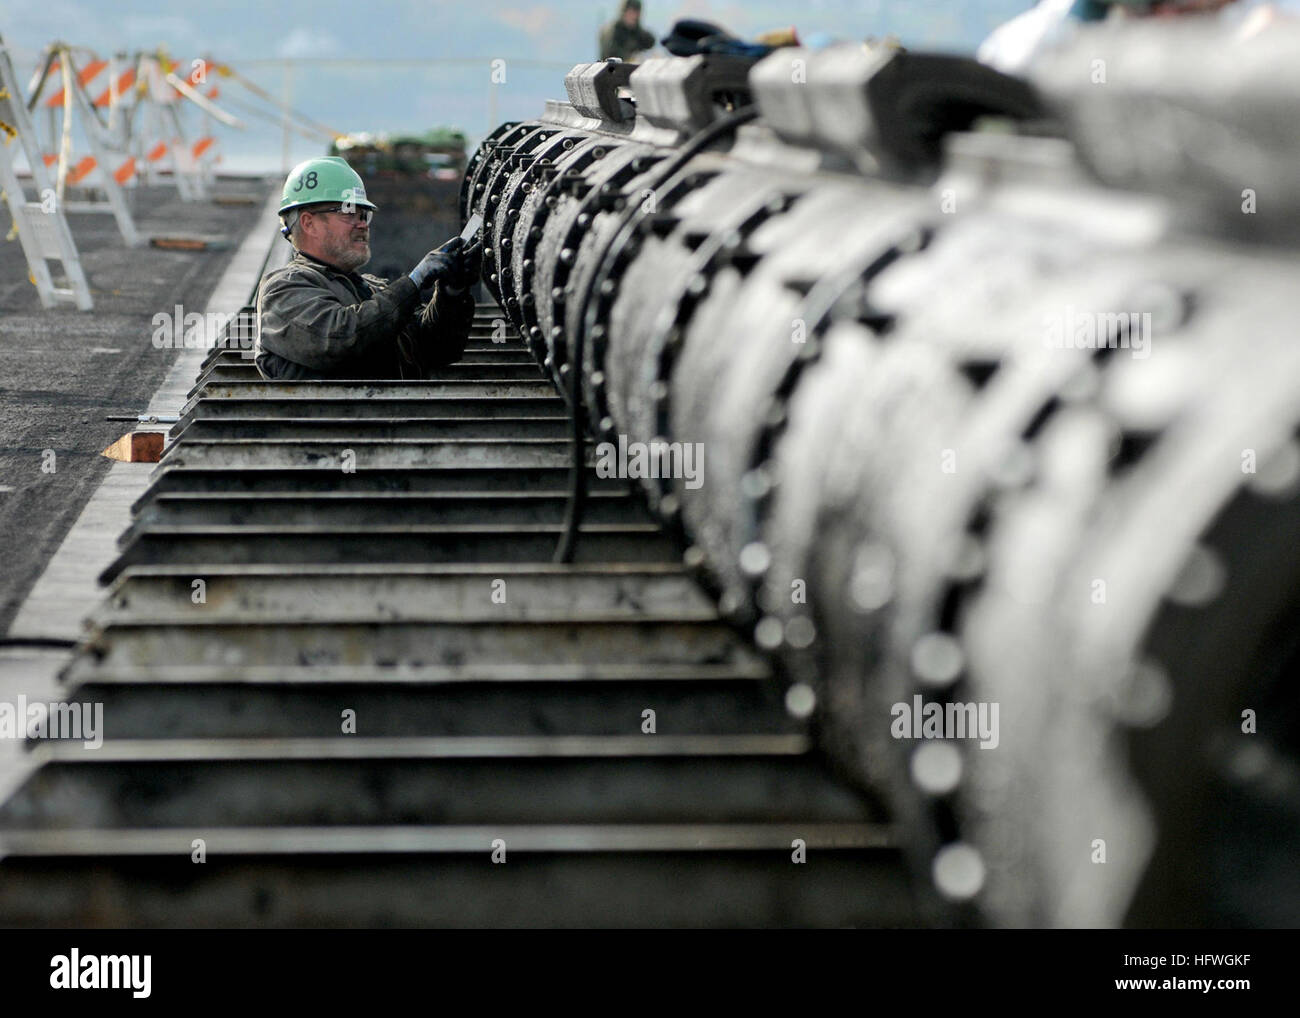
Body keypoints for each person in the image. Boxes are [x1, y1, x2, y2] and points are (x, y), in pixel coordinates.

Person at [255, 156, 481, 381]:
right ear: (308, 223)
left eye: (364, 215)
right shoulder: (283, 290)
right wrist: (414, 282)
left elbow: (434, 351)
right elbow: (341, 340)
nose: (362, 224)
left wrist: (451, 293)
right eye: (348, 211)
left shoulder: (372, 289)